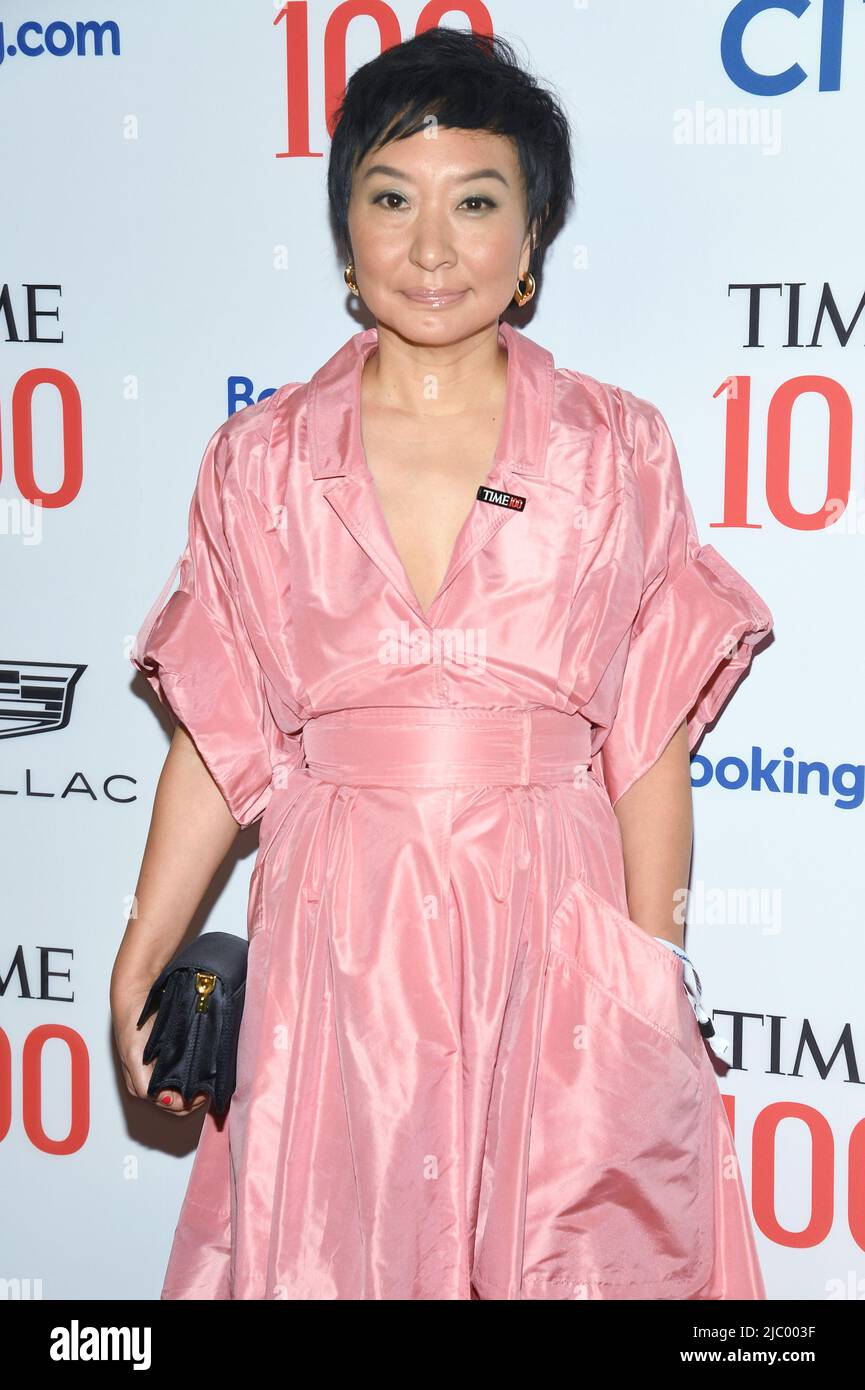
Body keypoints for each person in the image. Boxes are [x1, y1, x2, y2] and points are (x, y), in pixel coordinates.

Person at [111, 27, 773, 1300]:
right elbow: (219, 738)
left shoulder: (617, 449)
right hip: (334, 941)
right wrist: (143, 949)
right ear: (344, 229)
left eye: (477, 203)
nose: (431, 247)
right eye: (390, 199)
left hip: (553, 925)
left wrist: (652, 973)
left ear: (530, 242)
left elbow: (645, 749)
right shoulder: (255, 462)